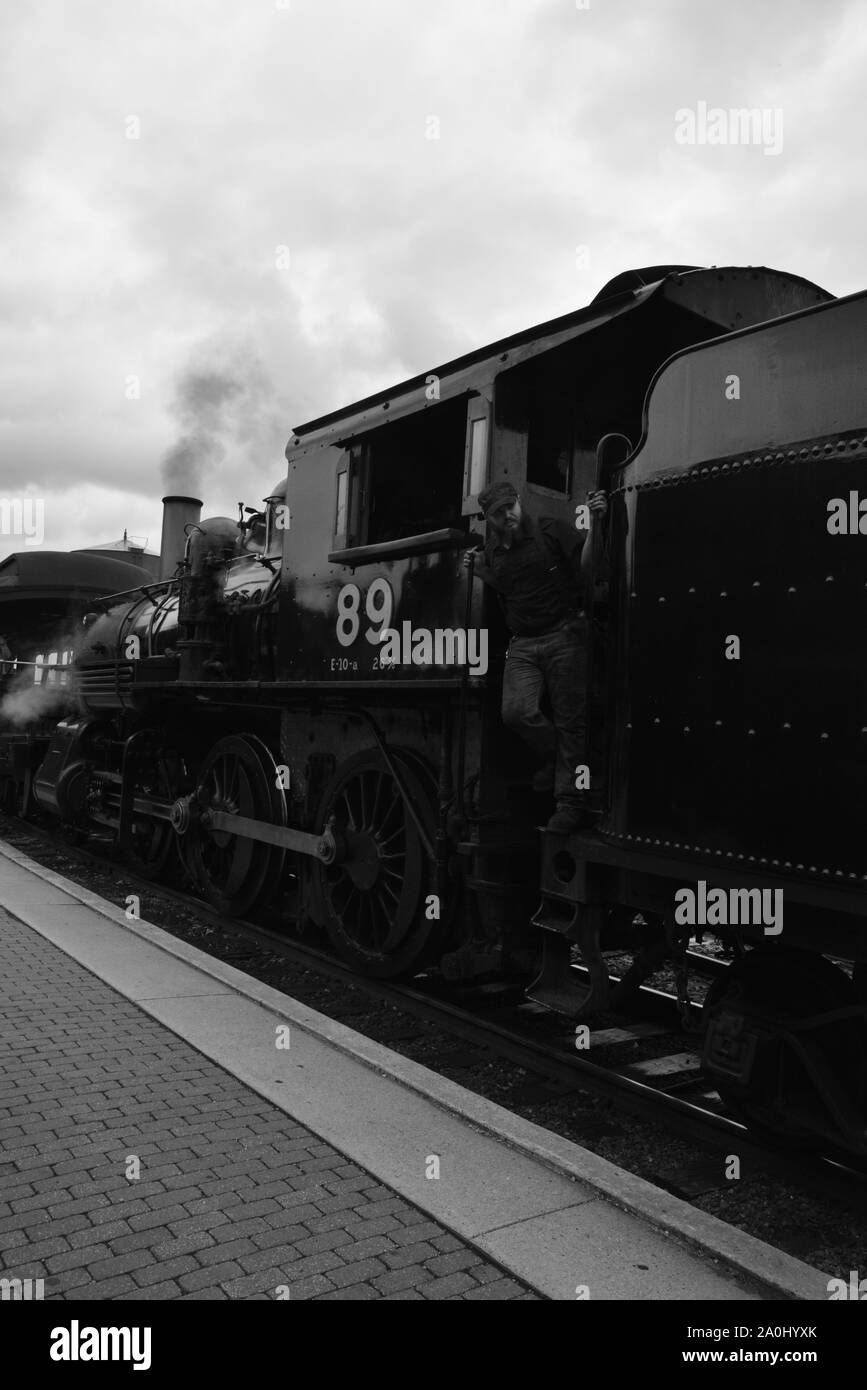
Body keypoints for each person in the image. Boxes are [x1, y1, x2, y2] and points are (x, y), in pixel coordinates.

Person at [464, 480, 607, 832]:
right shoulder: (494, 549)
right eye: (499, 512)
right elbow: (508, 586)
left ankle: (569, 805)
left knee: (572, 721)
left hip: (565, 635)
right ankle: (558, 759)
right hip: (524, 643)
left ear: (518, 503)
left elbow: (588, 571)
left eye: (511, 506)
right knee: (516, 711)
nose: (508, 514)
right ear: (489, 518)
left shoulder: (550, 531)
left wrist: (596, 525)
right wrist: (481, 572)